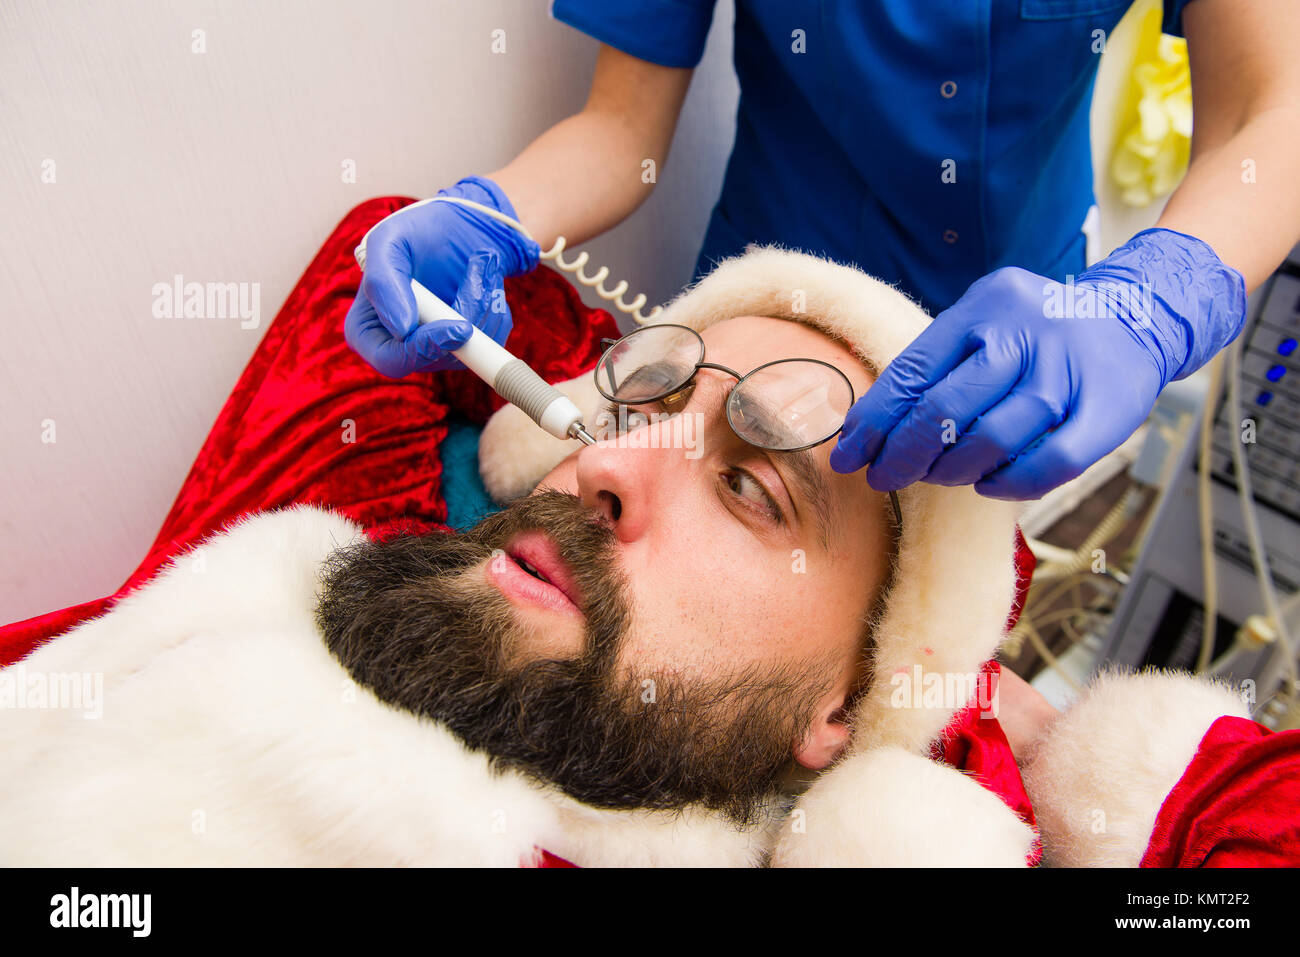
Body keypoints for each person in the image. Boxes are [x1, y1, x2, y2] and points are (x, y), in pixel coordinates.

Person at [346, 0, 1300, 500]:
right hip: (759, 316)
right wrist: (487, 214)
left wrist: (1147, 304)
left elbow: (1277, 111)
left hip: (1030, 339)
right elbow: (620, 128)